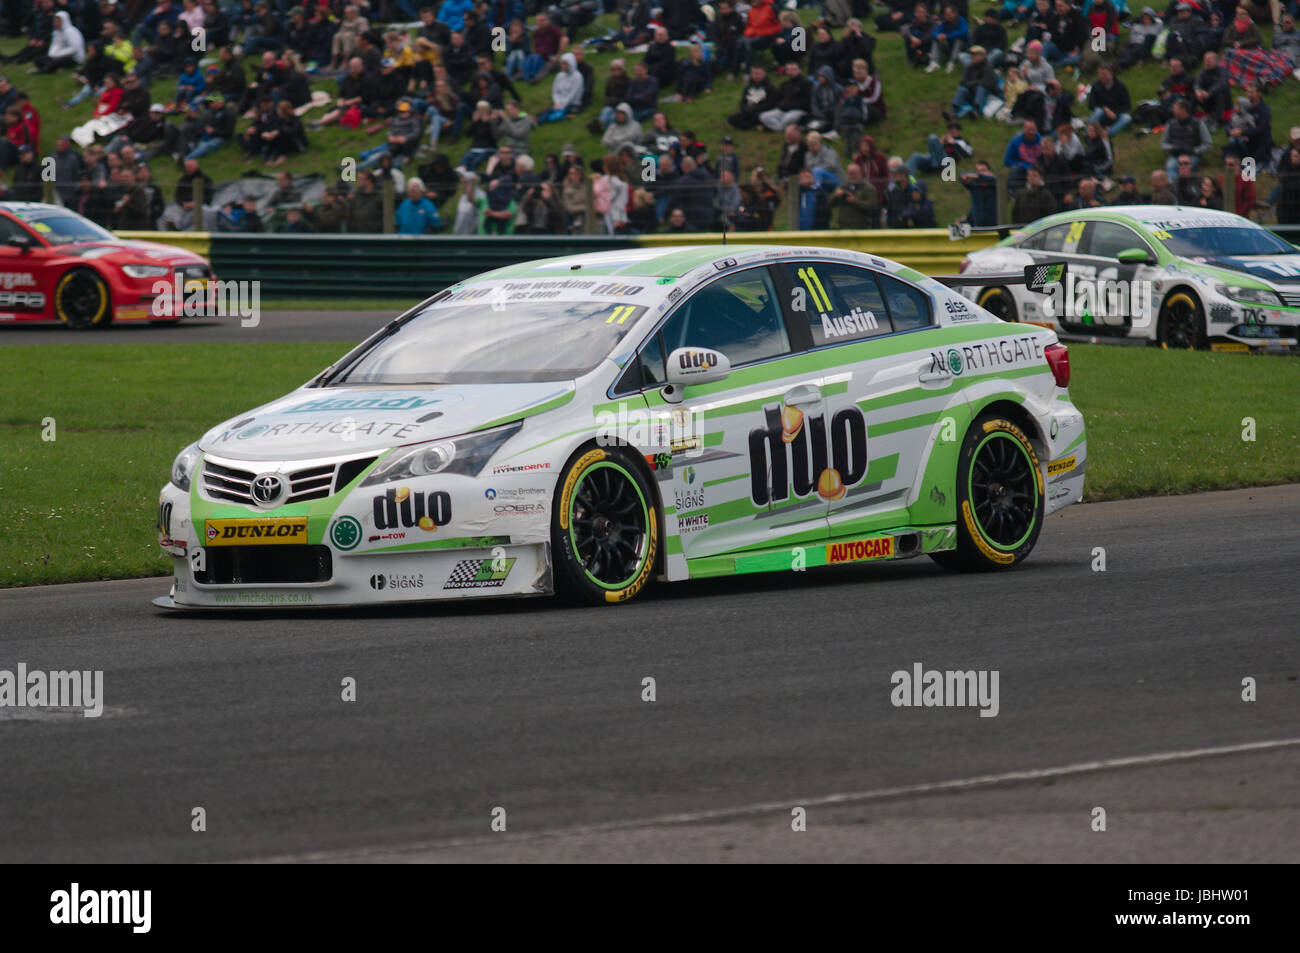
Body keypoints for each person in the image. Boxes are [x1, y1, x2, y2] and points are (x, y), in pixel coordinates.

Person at [1161, 99, 1212, 176]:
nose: (1173, 111)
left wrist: (1195, 150)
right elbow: (1163, 144)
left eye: (1175, 109)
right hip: (1175, 156)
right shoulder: (1170, 124)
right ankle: (1174, 187)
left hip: (1192, 156)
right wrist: (1173, 148)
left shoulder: (1198, 123)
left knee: (1185, 168)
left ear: (1183, 110)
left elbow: (1208, 144)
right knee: (1171, 167)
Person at [759, 61, 811, 132]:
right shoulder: (785, 84)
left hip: (798, 110)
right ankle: (783, 129)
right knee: (763, 116)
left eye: (793, 69)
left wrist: (791, 105)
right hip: (782, 110)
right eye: (788, 70)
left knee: (787, 119)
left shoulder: (806, 84)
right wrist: (780, 105)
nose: (791, 72)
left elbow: (807, 101)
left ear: (799, 70)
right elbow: (777, 98)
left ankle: (776, 128)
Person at [906, 121, 973, 175]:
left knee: (933, 137)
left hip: (947, 163)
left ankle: (936, 166)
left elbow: (968, 155)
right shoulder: (944, 141)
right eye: (949, 132)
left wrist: (954, 144)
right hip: (933, 160)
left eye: (952, 132)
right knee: (915, 156)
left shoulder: (963, 142)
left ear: (959, 132)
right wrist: (940, 143)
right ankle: (907, 178)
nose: (950, 134)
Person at [951, 45, 999, 118]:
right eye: (972, 55)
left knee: (980, 89)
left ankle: (975, 111)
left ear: (983, 56)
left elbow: (988, 84)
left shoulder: (988, 67)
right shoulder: (968, 67)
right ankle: (954, 110)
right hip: (971, 91)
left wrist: (974, 83)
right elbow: (963, 82)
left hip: (985, 94)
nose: (973, 56)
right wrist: (976, 83)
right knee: (962, 90)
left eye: (976, 55)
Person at [727, 64, 776, 130]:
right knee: (732, 118)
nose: (756, 76)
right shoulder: (749, 86)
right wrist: (745, 108)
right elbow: (743, 101)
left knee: (760, 117)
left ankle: (752, 125)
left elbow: (770, 104)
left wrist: (755, 108)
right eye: (754, 73)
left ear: (764, 74)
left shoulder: (770, 87)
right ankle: (752, 126)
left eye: (759, 74)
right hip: (748, 112)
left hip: (760, 112)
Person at [1088, 63, 1131, 135]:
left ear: (1111, 74)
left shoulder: (1120, 86)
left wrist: (1116, 113)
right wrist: (1104, 109)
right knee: (1098, 111)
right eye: (1100, 74)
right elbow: (1091, 104)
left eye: (1104, 74)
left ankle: (1107, 133)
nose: (1101, 76)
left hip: (1115, 115)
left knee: (1127, 118)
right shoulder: (1096, 86)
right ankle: (1090, 132)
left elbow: (1127, 105)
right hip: (1102, 114)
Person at [539, 52, 583, 123]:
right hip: (559, 102)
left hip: (571, 103)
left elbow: (573, 94)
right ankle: (536, 121)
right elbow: (555, 91)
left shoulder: (577, 77)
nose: (563, 66)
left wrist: (563, 105)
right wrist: (557, 102)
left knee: (554, 114)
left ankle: (539, 121)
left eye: (565, 63)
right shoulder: (559, 76)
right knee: (548, 111)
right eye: (562, 63)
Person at [830, 163, 878, 227]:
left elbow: (871, 206)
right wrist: (836, 196)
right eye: (850, 173)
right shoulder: (842, 187)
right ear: (847, 174)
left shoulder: (869, 188)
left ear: (860, 173)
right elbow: (829, 204)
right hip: (843, 228)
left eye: (854, 173)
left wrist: (854, 201)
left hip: (862, 228)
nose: (852, 176)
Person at [927, 5, 970, 73]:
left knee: (958, 39)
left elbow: (963, 33)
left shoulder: (962, 21)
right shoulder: (945, 23)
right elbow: (934, 32)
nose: (947, 16)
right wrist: (938, 36)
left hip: (963, 48)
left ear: (955, 13)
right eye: (946, 14)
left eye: (949, 14)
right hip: (950, 47)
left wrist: (947, 36)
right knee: (936, 40)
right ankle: (934, 62)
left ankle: (952, 62)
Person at [960, 160, 999, 226]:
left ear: (990, 172)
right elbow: (961, 176)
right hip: (978, 226)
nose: (980, 173)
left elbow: (994, 179)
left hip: (994, 227)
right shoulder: (974, 187)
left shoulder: (996, 184)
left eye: (983, 170)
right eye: (978, 171)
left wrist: (978, 176)